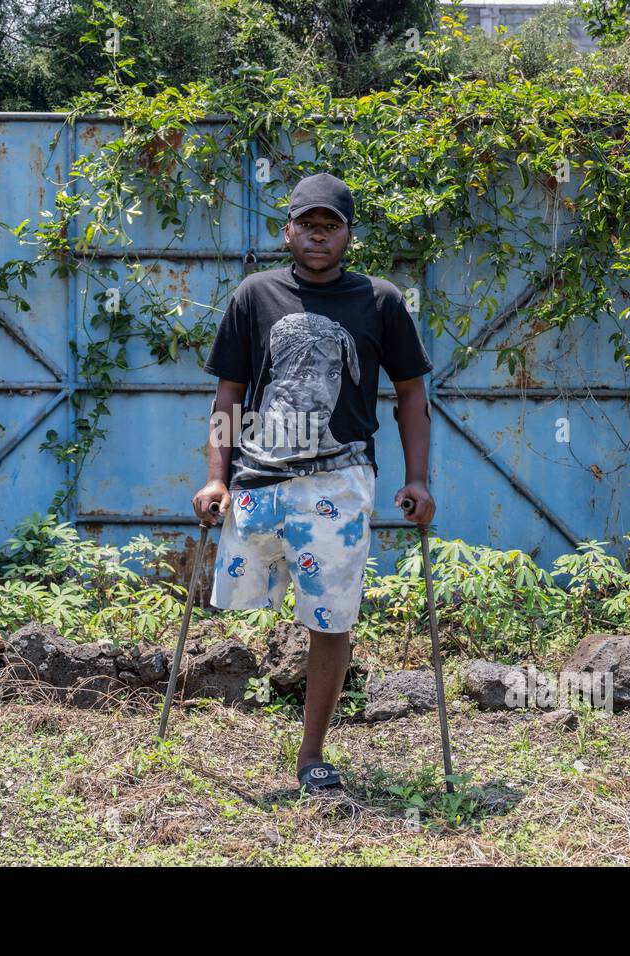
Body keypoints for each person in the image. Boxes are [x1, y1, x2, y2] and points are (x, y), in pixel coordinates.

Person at [193, 171, 436, 795]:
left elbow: (412, 394)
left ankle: (312, 755)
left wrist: (417, 479)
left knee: (330, 619)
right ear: (288, 232)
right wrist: (216, 478)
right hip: (260, 481)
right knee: (236, 608)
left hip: (338, 482)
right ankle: (220, 734)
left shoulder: (380, 301)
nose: (318, 236)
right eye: (308, 225)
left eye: (331, 226)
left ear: (348, 235)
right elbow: (229, 393)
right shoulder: (254, 295)